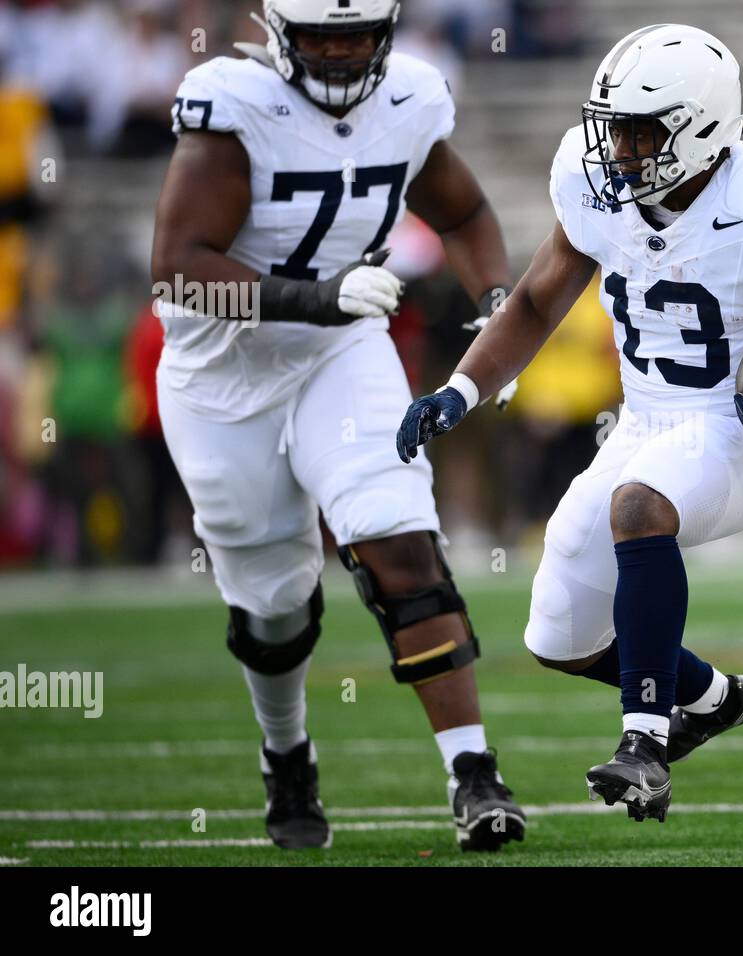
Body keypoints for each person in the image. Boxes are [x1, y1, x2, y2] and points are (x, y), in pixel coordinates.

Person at [398, 24, 743, 822]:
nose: (619, 149)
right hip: (645, 424)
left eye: (641, 131)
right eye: (614, 127)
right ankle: (711, 697)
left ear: (701, 129)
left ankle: (645, 746)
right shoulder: (596, 187)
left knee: (638, 507)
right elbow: (533, 301)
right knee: (559, 635)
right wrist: (459, 390)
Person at [150, 0, 524, 850]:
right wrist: (317, 296)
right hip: (221, 375)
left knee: (400, 537)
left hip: (338, 352)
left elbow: (464, 214)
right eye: (324, 36)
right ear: (280, 33)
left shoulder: (409, 101)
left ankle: (474, 773)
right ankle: (287, 753)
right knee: (273, 602)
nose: (346, 52)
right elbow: (175, 271)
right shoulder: (234, 105)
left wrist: (497, 304)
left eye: (360, 34)